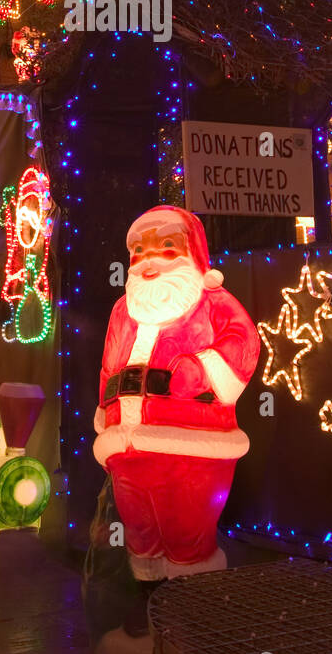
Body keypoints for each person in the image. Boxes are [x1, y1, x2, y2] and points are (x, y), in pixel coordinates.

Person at [94, 205, 259, 587]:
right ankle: (147, 612)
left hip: (194, 452)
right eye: (139, 251)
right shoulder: (123, 311)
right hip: (127, 449)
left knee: (186, 533)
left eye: (167, 246)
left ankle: (191, 615)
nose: (148, 261)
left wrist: (200, 371)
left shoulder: (213, 302)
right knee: (140, 536)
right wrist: (105, 412)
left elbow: (243, 343)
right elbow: (109, 364)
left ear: (192, 253)